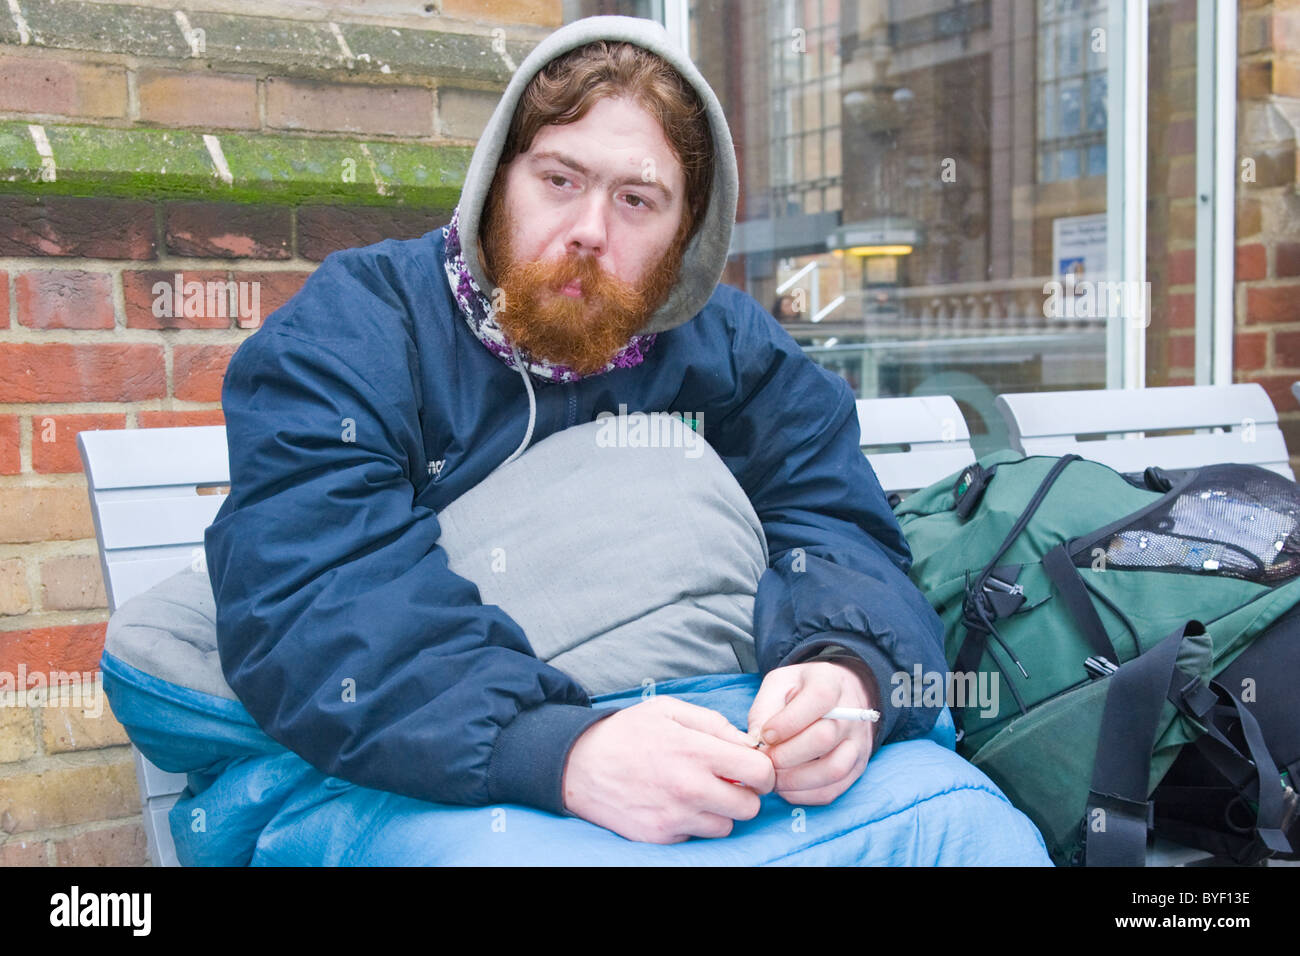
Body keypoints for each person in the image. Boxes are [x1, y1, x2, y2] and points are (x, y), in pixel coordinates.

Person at [205, 15, 957, 849]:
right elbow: (317, 587)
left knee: (962, 826)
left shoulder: (735, 354)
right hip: (454, 763)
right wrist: (563, 751)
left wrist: (848, 667)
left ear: (688, 233)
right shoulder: (354, 332)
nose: (591, 231)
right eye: (559, 181)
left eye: (637, 200)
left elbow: (835, 523)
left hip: (720, 728)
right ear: (497, 180)